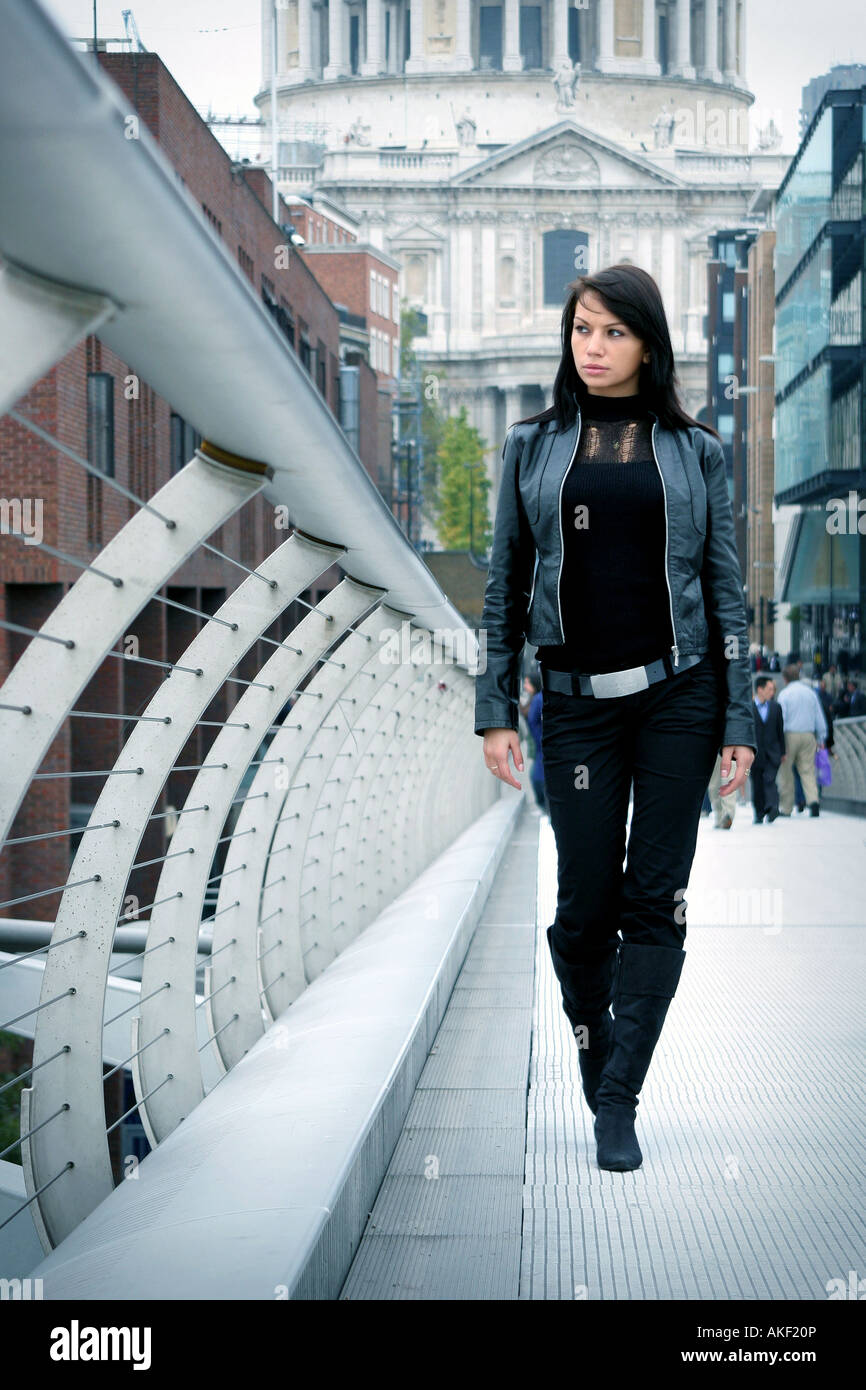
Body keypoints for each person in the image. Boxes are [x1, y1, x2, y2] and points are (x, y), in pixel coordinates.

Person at [474, 264, 756, 1172]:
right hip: (574, 703)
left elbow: (724, 591)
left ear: (647, 344)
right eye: (581, 331)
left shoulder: (696, 450)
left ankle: (618, 1102)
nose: (591, 349)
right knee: (580, 915)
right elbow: (504, 587)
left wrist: (739, 718)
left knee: (654, 898)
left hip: (681, 694)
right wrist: (496, 708)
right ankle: (601, 1058)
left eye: (611, 333)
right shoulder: (531, 445)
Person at [775, 664, 828, 817]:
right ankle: (813, 802)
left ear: (785, 679)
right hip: (808, 735)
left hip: (789, 735)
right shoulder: (811, 693)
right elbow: (819, 716)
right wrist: (821, 737)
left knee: (786, 773)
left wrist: (779, 739)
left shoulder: (785, 694)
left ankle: (786, 807)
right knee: (807, 770)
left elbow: (781, 718)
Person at [751, 674, 785, 823]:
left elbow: (780, 731)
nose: (773, 692)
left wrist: (783, 752)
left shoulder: (776, 707)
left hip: (773, 753)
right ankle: (759, 813)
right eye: (770, 689)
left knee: (769, 779)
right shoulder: (749, 707)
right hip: (755, 754)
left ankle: (772, 807)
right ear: (760, 689)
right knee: (757, 783)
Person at [522, 670, 547, 814]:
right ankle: (545, 807)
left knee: (537, 777)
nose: (525, 686)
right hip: (539, 746)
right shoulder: (534, 699)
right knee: (536, 777)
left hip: (542, 745)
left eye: (527, 683)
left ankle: (545, 806)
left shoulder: (538, 699)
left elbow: (533, 719)